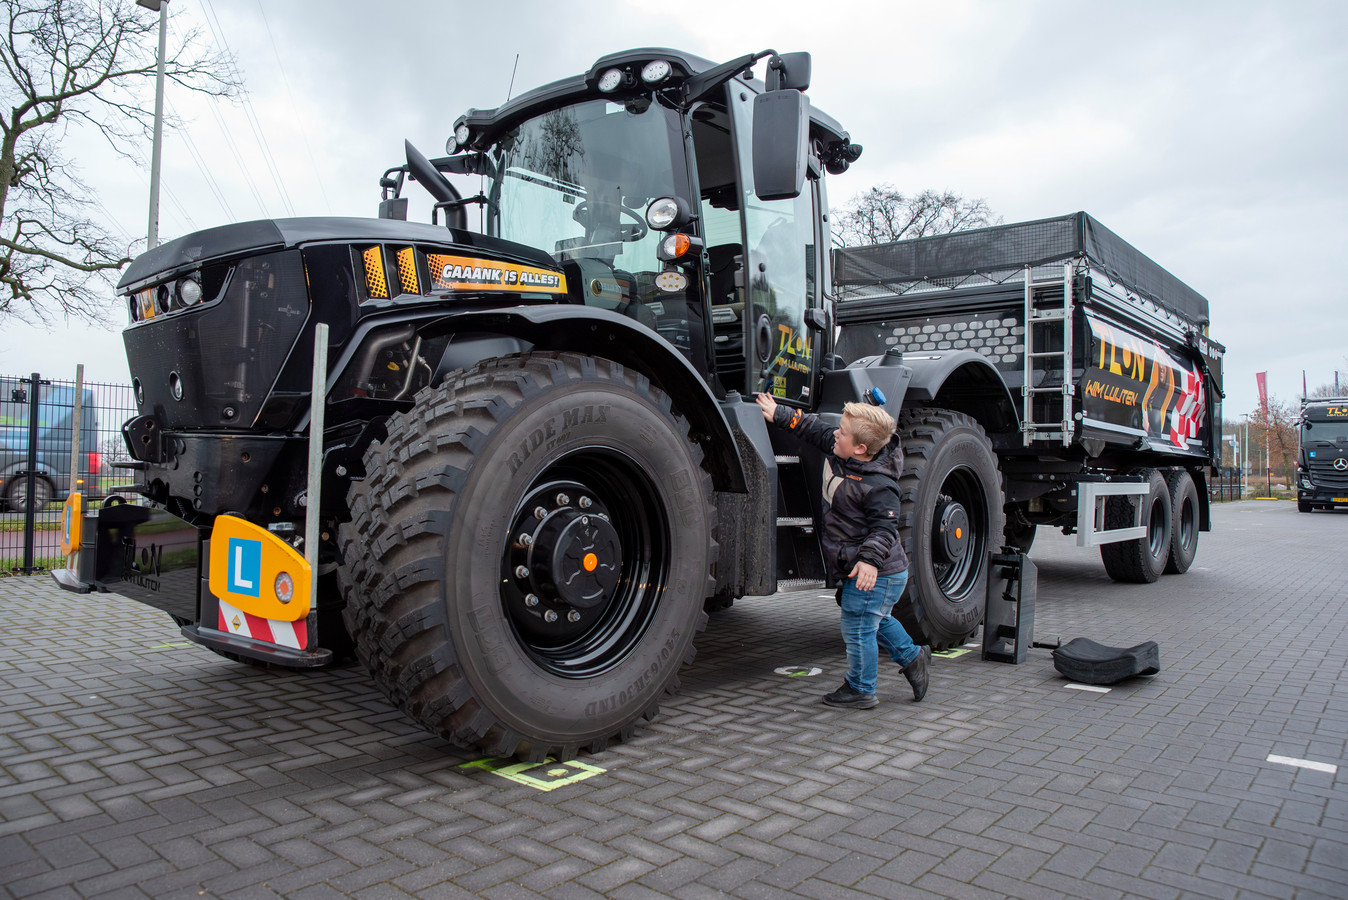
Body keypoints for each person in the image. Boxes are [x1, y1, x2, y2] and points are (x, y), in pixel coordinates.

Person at [756, 392, 930, 708]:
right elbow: (811, 427)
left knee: (859, 626)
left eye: (843, 433)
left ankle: (861, 689)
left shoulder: (880, 486)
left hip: (880, 570)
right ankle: (913, 656)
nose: (835, 433)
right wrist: (779, 413)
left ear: (861, 448)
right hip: (871, 569)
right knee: (873, 618)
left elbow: (884, 530)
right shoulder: (842, 450)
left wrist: (868, 562)